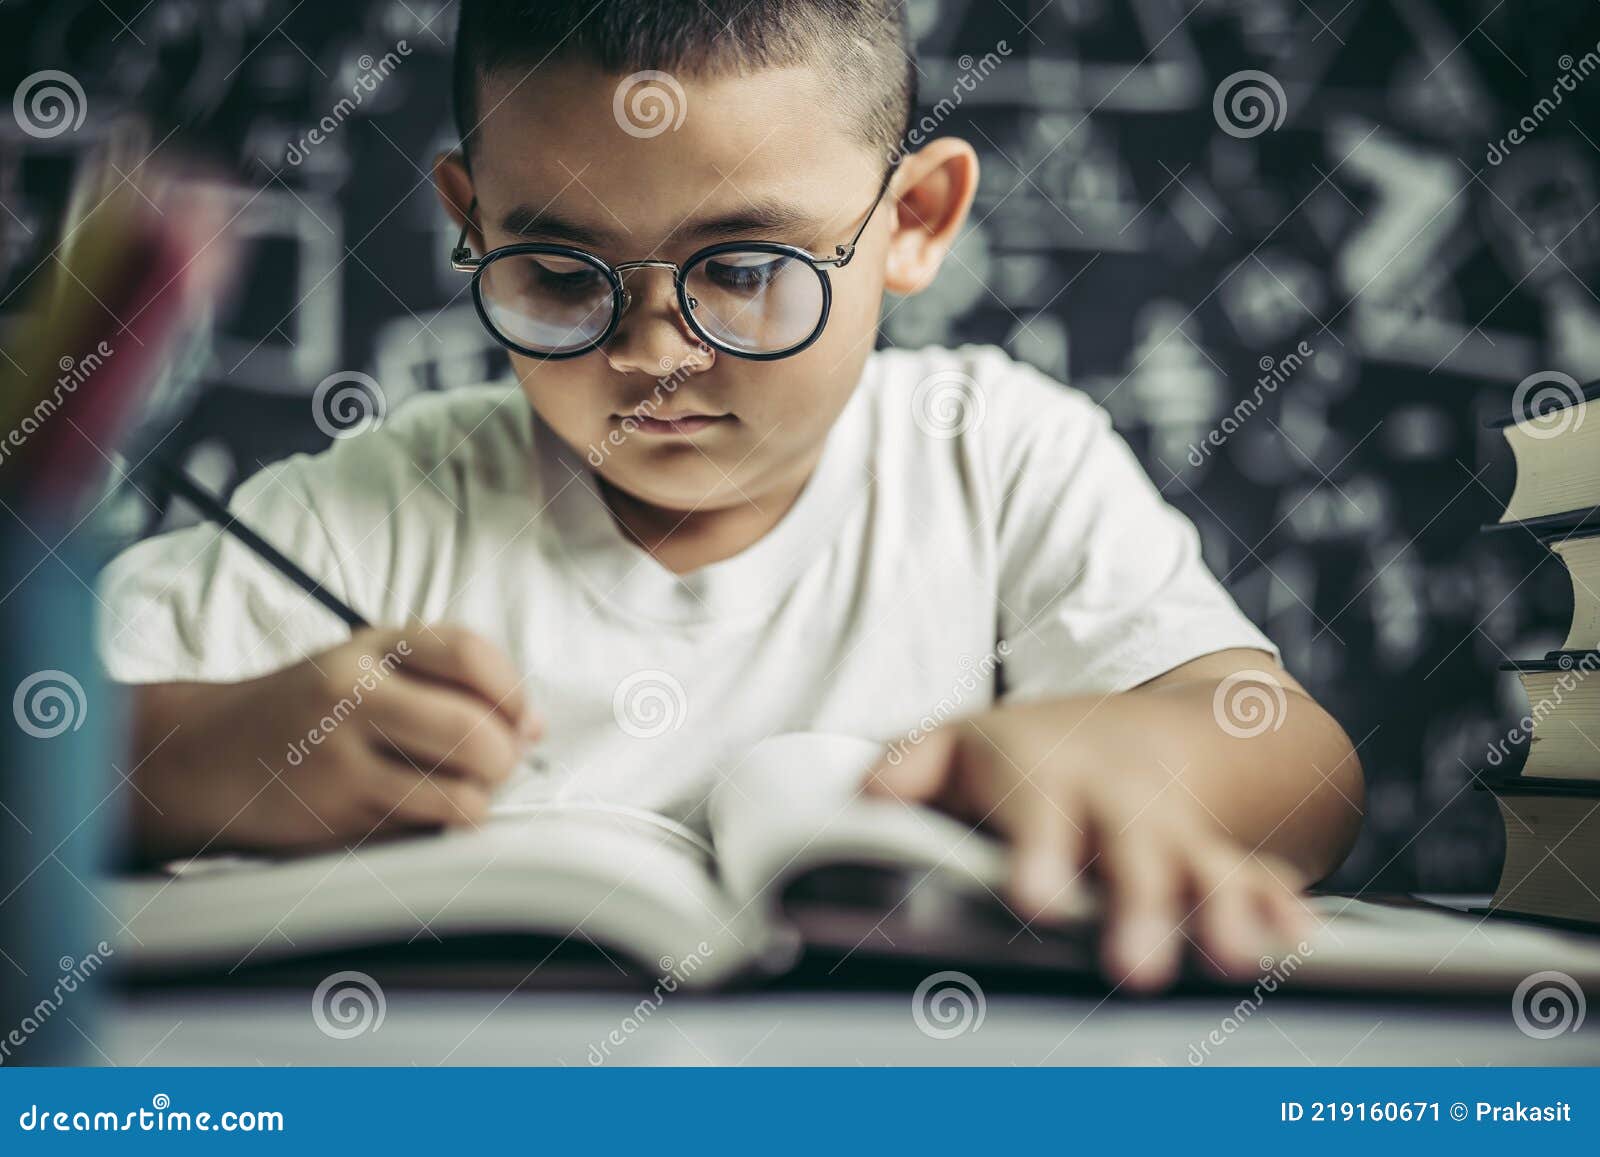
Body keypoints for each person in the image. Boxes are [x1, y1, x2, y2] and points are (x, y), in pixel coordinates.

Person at [99, 0, 1363, 991]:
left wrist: (1145, 755)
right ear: (469, 224)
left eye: (746, 266)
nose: (653, 354)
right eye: (559, 269)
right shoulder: (370, 510)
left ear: (916, 221)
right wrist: (199, 757)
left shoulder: (995, 456)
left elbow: (1303, 763)